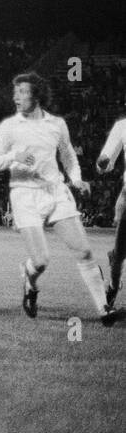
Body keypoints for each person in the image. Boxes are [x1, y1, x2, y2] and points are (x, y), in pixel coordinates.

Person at [0, 72, 117, 325]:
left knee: (84, 251)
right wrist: (14, 156)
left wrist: (76, 179)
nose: (16, 97)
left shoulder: (56, 124)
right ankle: (29, 279)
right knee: (41, 262)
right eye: (15, 92)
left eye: (22, 92)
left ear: (37, 95)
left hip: (55, 191)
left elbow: (68, 155)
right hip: (24, 194)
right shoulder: (9, 126)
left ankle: (104, 309)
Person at [96, 109, 126, 306]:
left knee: (119, 253)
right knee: (119, 257)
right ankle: (113, 287)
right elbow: (105, 163)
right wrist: (102, 163)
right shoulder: (122, 127)